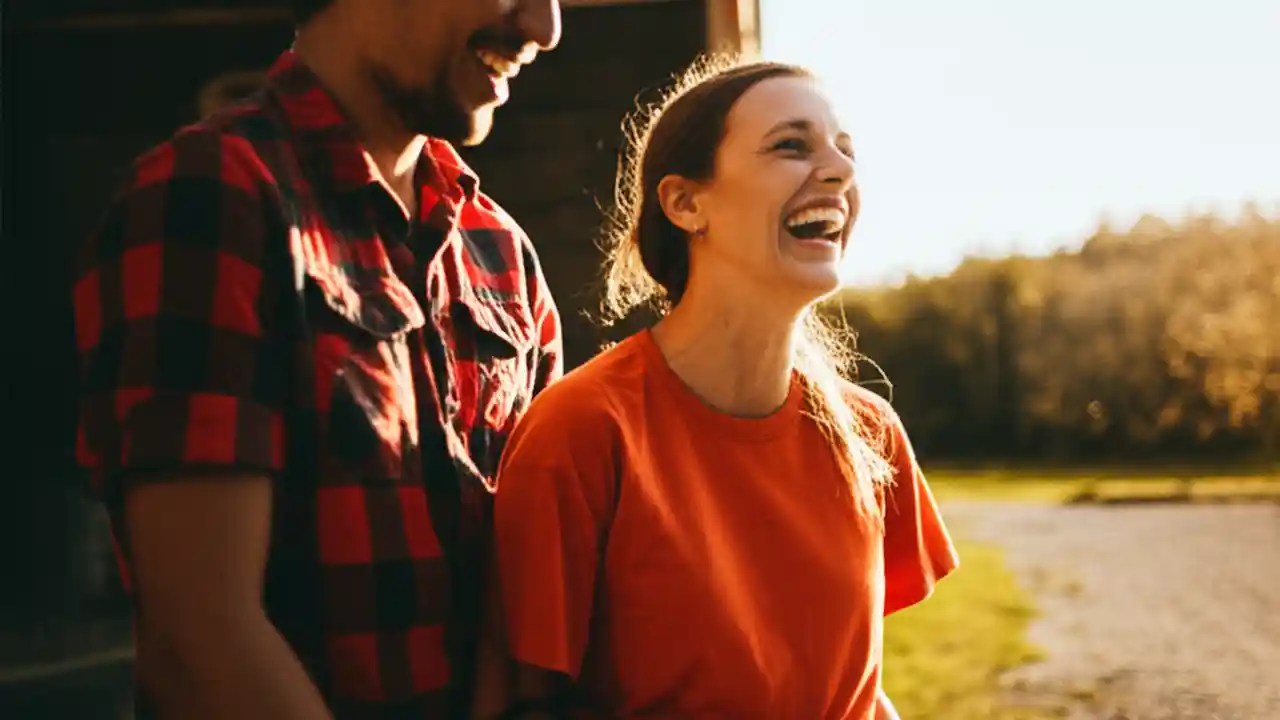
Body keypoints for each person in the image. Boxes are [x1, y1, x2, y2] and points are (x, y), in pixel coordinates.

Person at [72, 1, 563, 717]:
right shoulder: (212, 193)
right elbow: (200, 641)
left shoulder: (502, 253)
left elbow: (530, 604)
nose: (544, 27)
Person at [479, 57, 960, 719]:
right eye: (791, 146)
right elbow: (524, 705)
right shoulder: (581, 430)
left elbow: (859, 690)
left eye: (845, 151)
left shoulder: (870, 433)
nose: (840, 171)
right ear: (685, 203)